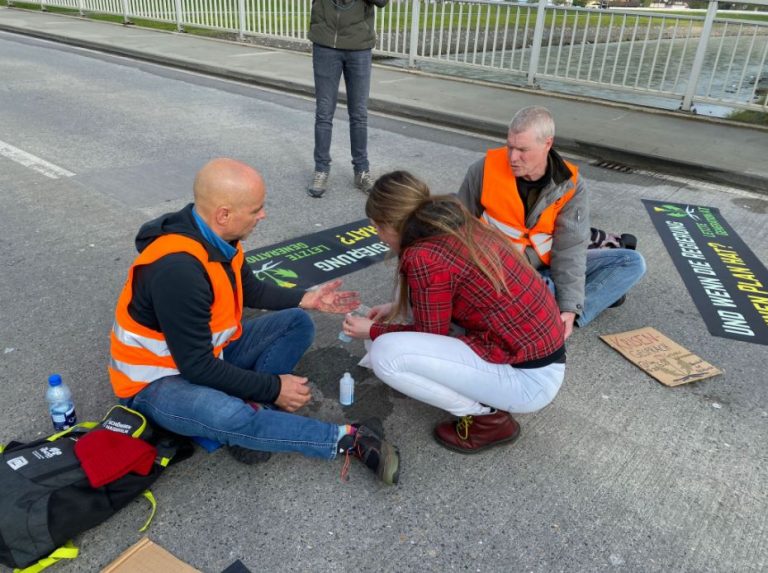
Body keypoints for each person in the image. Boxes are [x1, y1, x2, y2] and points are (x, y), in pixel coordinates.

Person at [108, 158, 399, 485]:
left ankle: (254, 421)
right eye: (256, 209)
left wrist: (308, 298)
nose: (263, 215)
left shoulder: (219, 237)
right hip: (156, 382)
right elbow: (196, 368)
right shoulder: (178, 270)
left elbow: (248, 288)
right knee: (227, 415)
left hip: (208, 355)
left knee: (298, 323)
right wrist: (274, 388)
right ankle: (348, 439)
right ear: (224, 214)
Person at [342, 171, 566, 454]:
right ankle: (483, 403)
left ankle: (486, 417)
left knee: (385, 353)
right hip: (538, 357)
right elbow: (454, 292)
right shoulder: (452, 221)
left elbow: (428, 333)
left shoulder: (422, 255)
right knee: (391, 329)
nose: (378, 235)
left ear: (388, 224)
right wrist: (392, 310)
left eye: (376, 227)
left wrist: (371, 329)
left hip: (529, 381)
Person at [458, 106, 646, 339]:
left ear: (547, 144)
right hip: (503, 269)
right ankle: (558, 305)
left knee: (631, 262)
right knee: (543, 288)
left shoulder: (570, 184)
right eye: (510, 146)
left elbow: (570, 249)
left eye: (522, 149)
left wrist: (570, 307)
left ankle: (563, 314)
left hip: (549, 265)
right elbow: (458, 226)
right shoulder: (483, 170)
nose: (513, 157)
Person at [306, 0, 389, 198]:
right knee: (324, 113)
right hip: (326, 44)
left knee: (359, 114)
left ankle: (361, 171)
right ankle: (321, 170)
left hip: (359, 46)